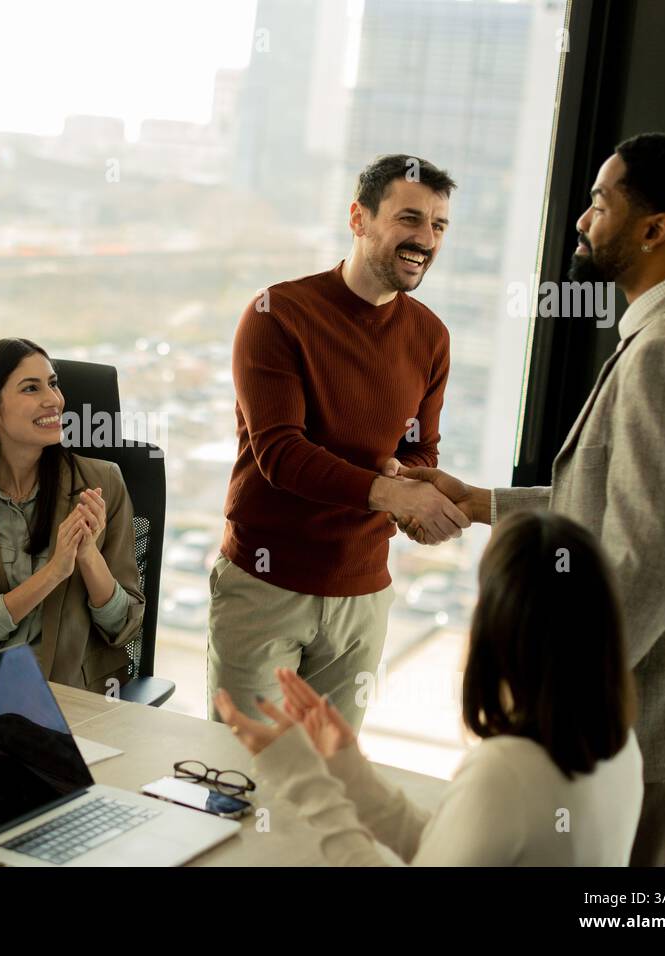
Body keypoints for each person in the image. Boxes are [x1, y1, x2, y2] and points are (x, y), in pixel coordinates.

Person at [395, 133, 665, 866]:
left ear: (655, 228)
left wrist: (546, 702)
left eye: (600, 202)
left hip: (635, 727)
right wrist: (476, 502)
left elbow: (653, 565)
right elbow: (615, 499)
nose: (583, 220)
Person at [207, 154, 469, 731]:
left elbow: (421, 451)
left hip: (363, 595)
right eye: (409, 219)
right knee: (241, 776)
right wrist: (391, 494)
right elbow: (280, 455)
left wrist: (407, 482)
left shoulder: (430, 336)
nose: (425, 239)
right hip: (265, 586)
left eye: (439, 226)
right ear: (359, 218)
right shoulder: (278, 314)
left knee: (332, 784)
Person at [218, 511, 643, 866]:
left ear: (501, 628)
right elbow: (446, 850)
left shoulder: (508, 772)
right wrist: (346, 768)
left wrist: (303, 778)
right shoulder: (617, 749)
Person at [0, 338, 146, 693]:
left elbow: (124, 627)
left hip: (72, 691)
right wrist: (53, 572)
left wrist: (87, 556)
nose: (53, 400)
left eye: (53, 384)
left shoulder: (101, 484)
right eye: (31, 388)